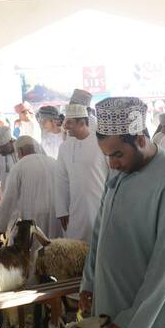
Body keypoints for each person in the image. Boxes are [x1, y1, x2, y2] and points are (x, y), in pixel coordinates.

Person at [79, 96, 165, 328]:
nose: (112, 164)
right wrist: (89, 282)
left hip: (150, 318)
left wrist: (134, 319)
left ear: (141, 139)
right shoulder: (119, 173)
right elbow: (101, 230)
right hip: (110, 303)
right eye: (107, 155)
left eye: (117, 154)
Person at [54, 102, 109, 243]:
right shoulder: (64, 148)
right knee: (75, 250)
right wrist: (61, 209)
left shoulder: (101, 143)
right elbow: (61, 180)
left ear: (82, 123)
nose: (65, 126)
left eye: (69, 122)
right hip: (74, 209)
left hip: (100, 207)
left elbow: (113, 175)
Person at [0, 135, 60, 239]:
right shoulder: (54, 162)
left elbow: (9, 199)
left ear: (20, 151)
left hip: (34, 217)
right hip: (56, 215)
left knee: (37, 249)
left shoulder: (19, 167)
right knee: (54, 248)